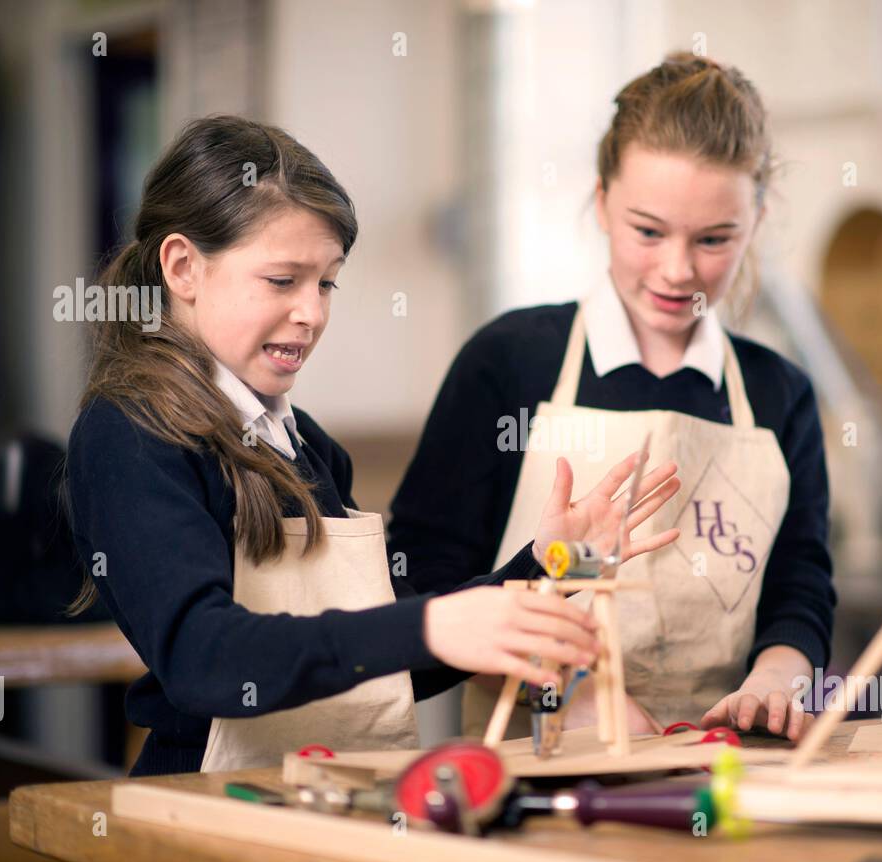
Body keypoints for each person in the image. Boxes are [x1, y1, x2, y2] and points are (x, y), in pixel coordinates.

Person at [64, 116, 679, 775]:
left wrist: (544, 565)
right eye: (283, 280)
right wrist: (427, 625)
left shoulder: (310, 449)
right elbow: (204, 657)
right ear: (183, 266)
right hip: (200, 812)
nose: (313, 312)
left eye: (326, 282)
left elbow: (379, 670)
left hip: (327, 803)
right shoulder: (128, 434)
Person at [389, 54, 835, 741]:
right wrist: (576, 690)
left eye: (714, 239)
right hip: (527, 767)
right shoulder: (508, 362)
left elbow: (799, 589)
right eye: (648, 230)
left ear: (757, 220)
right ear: (601, 201)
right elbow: (424, 582)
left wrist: (777, 679)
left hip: (719, 766)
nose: (677, 268)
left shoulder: (783, 395)